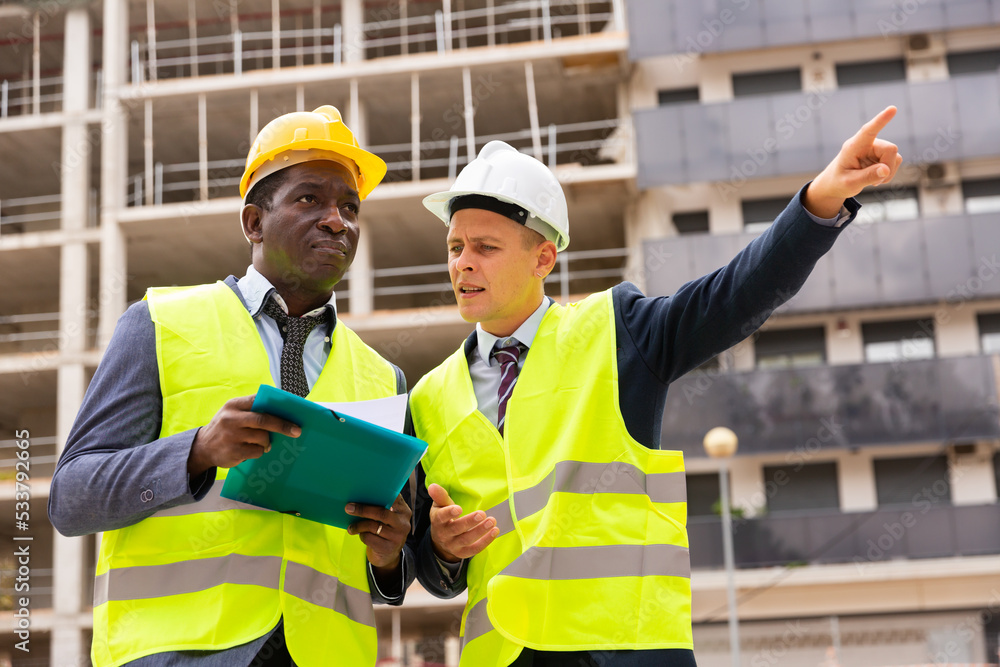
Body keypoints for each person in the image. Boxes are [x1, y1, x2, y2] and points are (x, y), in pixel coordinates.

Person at [407, 107, 903, 666]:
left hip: (626, 649)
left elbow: (735, 295)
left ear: (542, 258)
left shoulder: (617, 332)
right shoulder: (427, 397)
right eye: (455, 247)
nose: (463, 265)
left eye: (485, 248)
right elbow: (432, 571)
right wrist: (444, 550)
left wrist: (820, 200)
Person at [49, 106, 414, 667]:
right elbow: (71, 499)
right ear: (253, 223)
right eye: (309, 199)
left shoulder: (382, 376)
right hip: (179, 653)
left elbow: (392, 572)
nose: (337, 220)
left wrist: (390, 555)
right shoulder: (160, 324)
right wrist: (196, 451)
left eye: (349, 206)